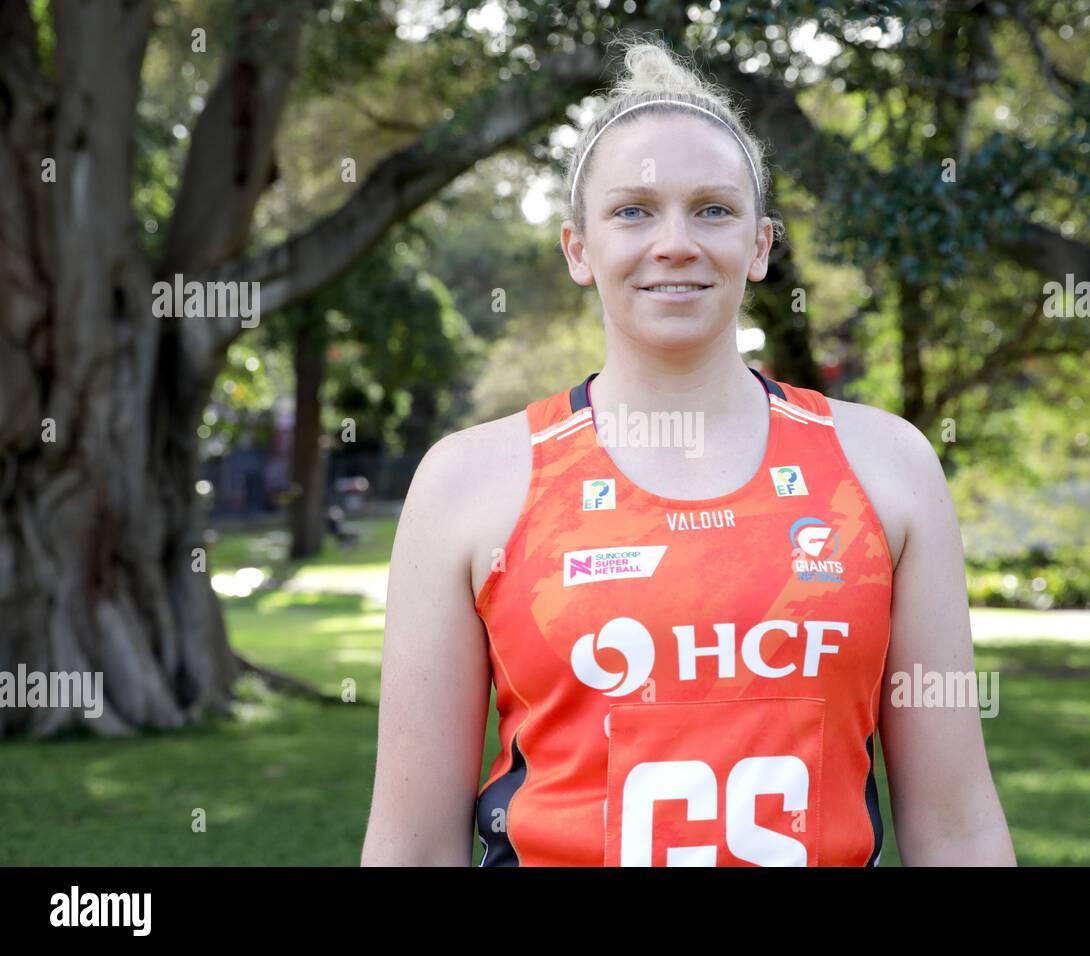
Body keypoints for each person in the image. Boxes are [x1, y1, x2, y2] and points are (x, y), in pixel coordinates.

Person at [361, 35, 1016, 867]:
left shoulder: (888, 467)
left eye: (713, 208)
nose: (675, 242)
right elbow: (413, 849)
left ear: (761, 246)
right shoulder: (469, 482)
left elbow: (955, 829)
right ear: (578, 249)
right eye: (633, 210)